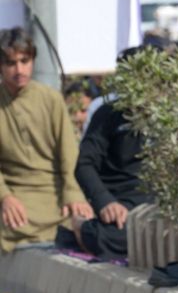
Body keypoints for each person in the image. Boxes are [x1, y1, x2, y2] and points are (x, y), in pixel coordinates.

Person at [0, 27, 92, 252]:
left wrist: (73, 193)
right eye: (11, 63)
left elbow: (69, 153)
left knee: (88, 230)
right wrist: (5, 197)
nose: (19, 70)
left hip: (55, 193)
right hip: (15, 194)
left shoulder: (50, 99)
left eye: (25, 61)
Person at [67, 96, 150, 259]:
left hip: (157, 203)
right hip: (123, 203)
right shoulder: (110, 113)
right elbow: (84, 164)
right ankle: (84, 228)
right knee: (125, 237)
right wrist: (105, 202)